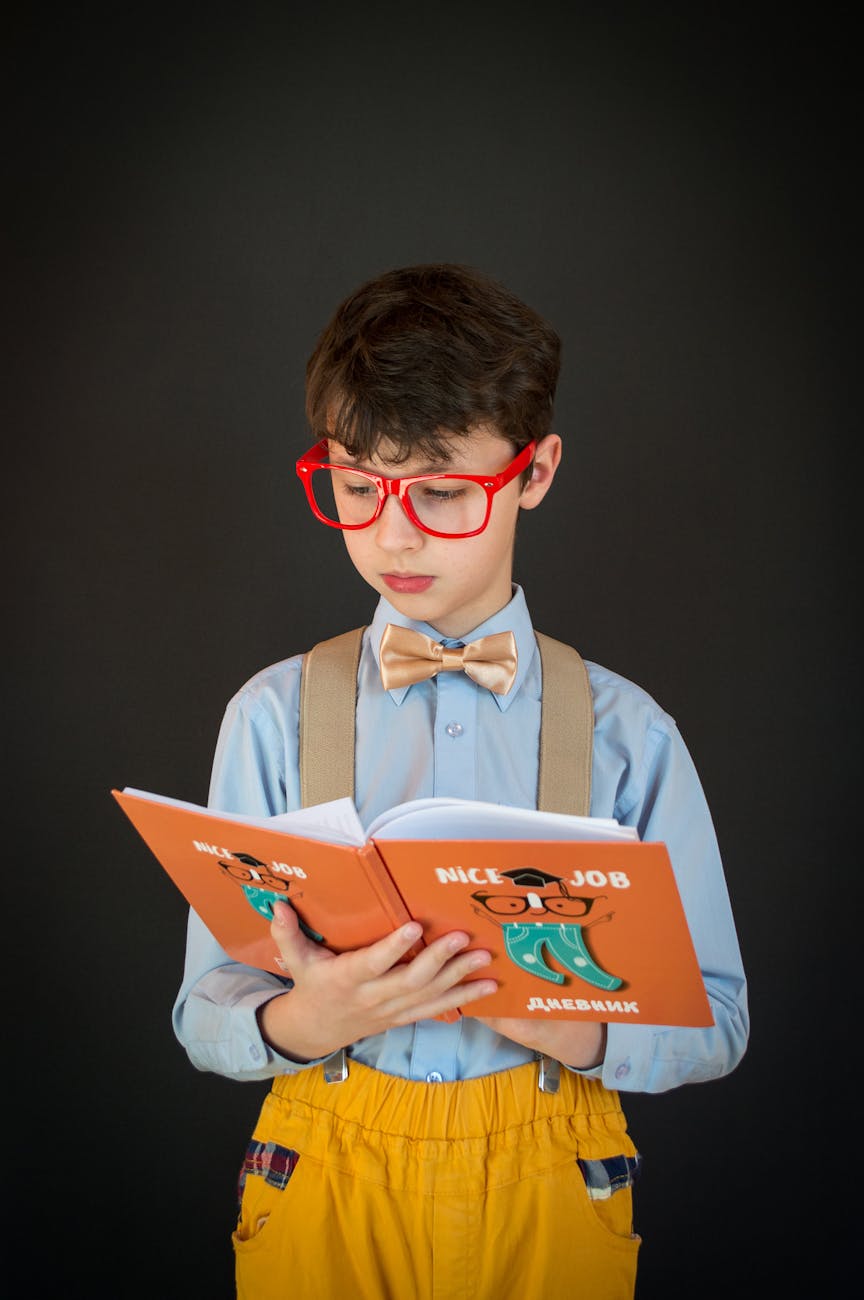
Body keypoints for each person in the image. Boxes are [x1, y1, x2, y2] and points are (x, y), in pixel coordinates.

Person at [173, 263, 749, 1299]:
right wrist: (311, 1019)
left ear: (535, 471)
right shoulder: (271, 714)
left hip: (551, 1176)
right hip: (328, 1170)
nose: (392, 532)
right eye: (357, 486)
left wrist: (565, 1024)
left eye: (441, 490)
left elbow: (719, 1018)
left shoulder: (629, 732)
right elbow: (206, 1008)